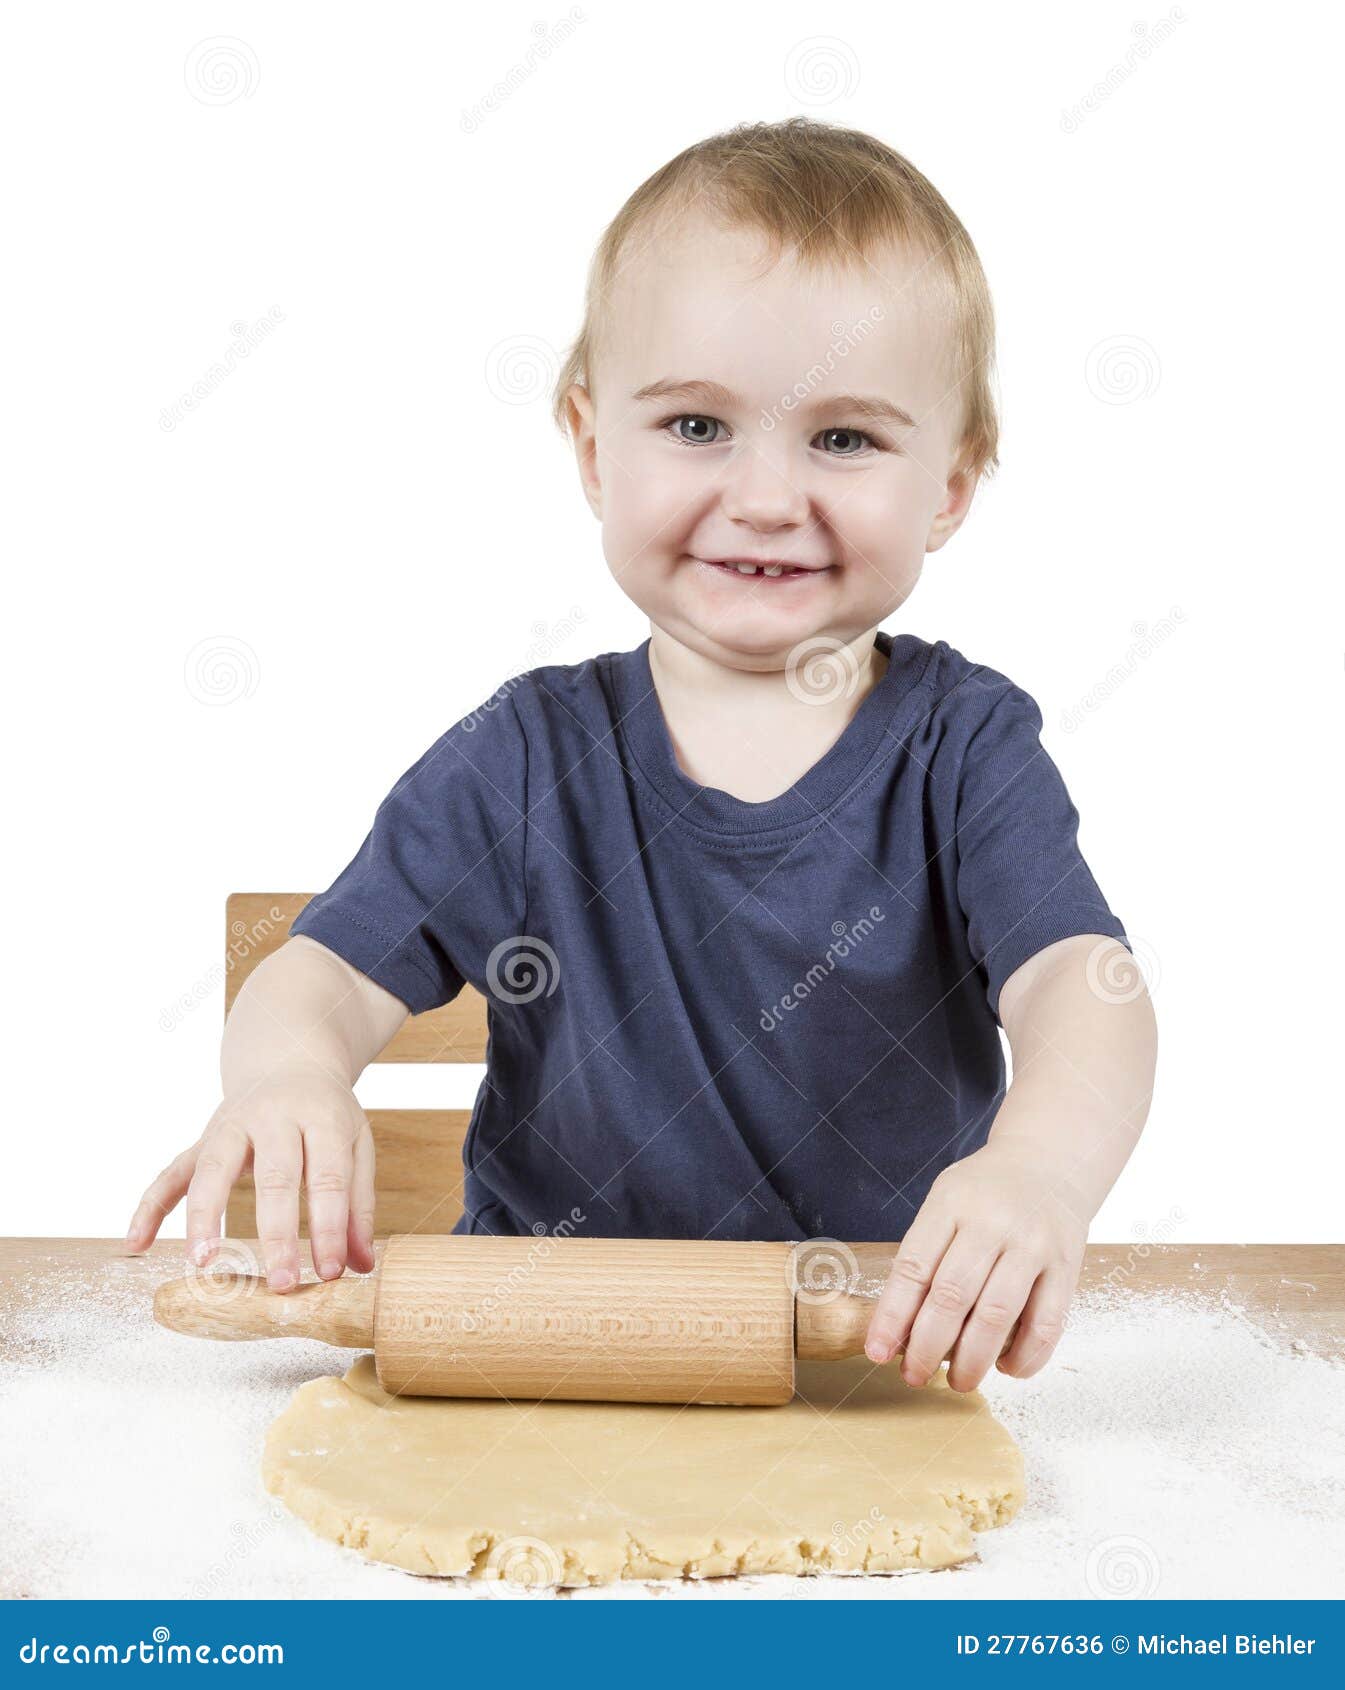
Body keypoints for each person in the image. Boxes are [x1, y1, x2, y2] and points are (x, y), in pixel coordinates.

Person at [127, 117, 1157, 1395]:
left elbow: (1083, 990)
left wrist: (1040, 1171)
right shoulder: (526, 754)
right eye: (695, 426)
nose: (768, 496)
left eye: (844, 439)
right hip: (521, 1362)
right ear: (593, 444)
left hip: (867, 1364)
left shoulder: (964, 749)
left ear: (951, 481)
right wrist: (287, 1075)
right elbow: (321, 976)